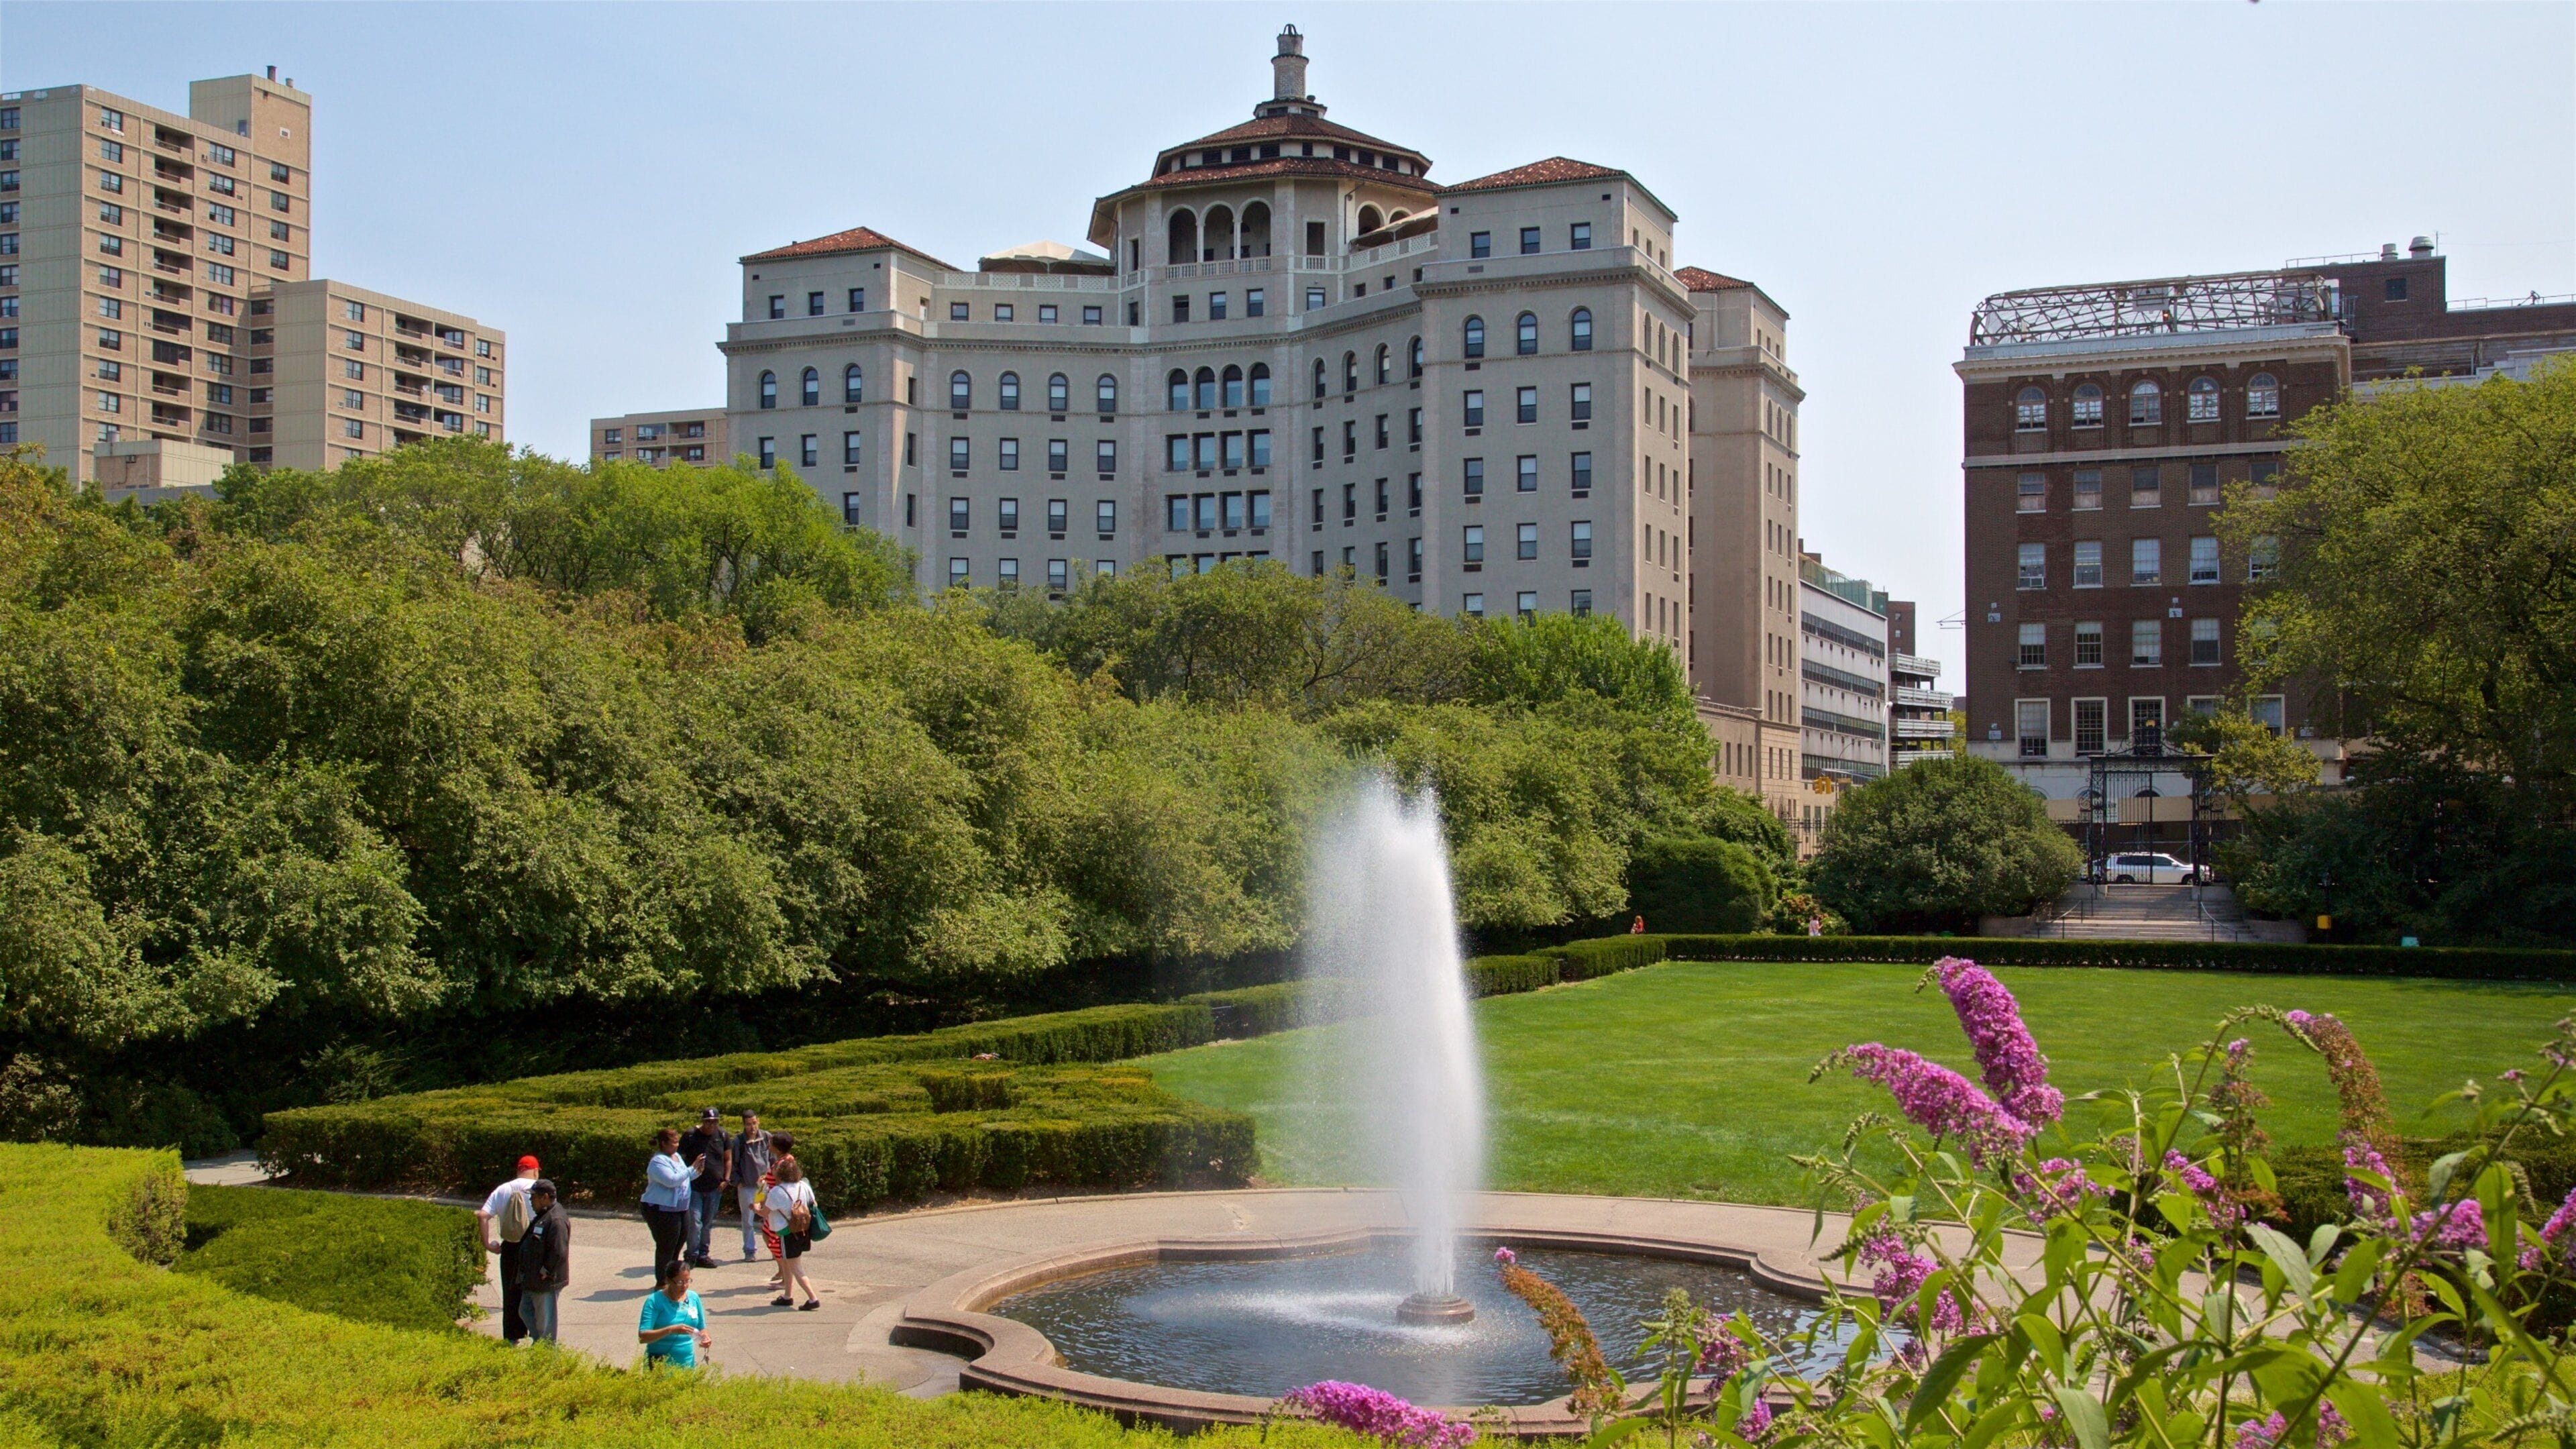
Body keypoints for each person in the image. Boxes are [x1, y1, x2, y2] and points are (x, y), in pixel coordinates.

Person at [476, 1154, 542, 1344]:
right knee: (535, 1293)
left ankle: (512, 1338)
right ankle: (538, 1338)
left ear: (518, 1170)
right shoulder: (538, 1189)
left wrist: (488, 1244)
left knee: (511, 1293)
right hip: (532, 1247)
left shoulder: (502, 1189)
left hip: (510, 1247)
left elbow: (483, 1216)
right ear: (536, 1170)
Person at [761, 1155, 821, 1311]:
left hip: (787, 1233)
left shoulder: (777, 1192)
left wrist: (759, 1193)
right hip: (803, 1230)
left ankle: (813, 1298)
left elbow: (763, 1212)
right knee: (787, 1262)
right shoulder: (804, 1186)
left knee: (796, 1267)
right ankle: (787, 1296)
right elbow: (813, 1203)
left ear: (780, 1175)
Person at [641, 1127, 698, 1288]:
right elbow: (672, 1181)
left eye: (678, 1141)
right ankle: (662, 1282)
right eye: (674, 1142)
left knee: (679, 1244)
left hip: (680, 1208)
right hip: (661, 1210)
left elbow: (685, 1177)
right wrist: (691, 1168)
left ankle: (673, 1277)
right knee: (666, 1246)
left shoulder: (676, 1156)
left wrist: (697, 1171)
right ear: (664, 1143)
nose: (677, 1145)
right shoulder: (658, 1161)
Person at [518, 1179, 570, 1343]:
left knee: (545, 1324)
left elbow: (559, 1252)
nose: (531, 1201)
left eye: (533, 1197)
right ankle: (540, 1343)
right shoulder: (544, 1214)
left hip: (545, 1282)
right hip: (532, 1280)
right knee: (525, 1311)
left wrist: (545, 1272)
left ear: (545, 1197)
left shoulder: (556, 1220)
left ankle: (546, 1352)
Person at [678, 1107, 731, 1269]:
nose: (711, 1125)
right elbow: (680, 1159)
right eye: (708, 1122)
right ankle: (692, 1254)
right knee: (695, 1222)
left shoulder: (722, 1135)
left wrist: (726, 1179)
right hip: (695, 1187)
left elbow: (728, 1158)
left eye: (715, 1122)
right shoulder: (690, 1135)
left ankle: (703, 1254)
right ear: (703, 1121)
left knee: (707, 1223)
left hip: (715, 1188)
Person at [637, 1260, 710, 1368]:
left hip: (686, 1362)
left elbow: (701, 1327)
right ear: (668, 1281)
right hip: (659, 1363)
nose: (684, 1286)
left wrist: (705, 1338)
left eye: (687, 1281)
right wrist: (671, 1330)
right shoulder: (654, 1301)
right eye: (680, 1282)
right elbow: (643, 1337)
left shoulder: (694, 1298)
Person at [728, 1111, 775, 1263]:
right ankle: (749, 1251)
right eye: (748, 1124)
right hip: (747, 1187)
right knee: (748, 1220)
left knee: (768, 1217)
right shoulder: (739, 1142)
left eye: (754, 1123)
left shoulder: (766, 1137)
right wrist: (738, 1182)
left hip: (763, 1186)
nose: (752, 1127)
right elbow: (732, 1163)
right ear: (744, 1125)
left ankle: (775, 1249)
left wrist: (772, 1179)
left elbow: (773, 1159)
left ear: (758, 1122)